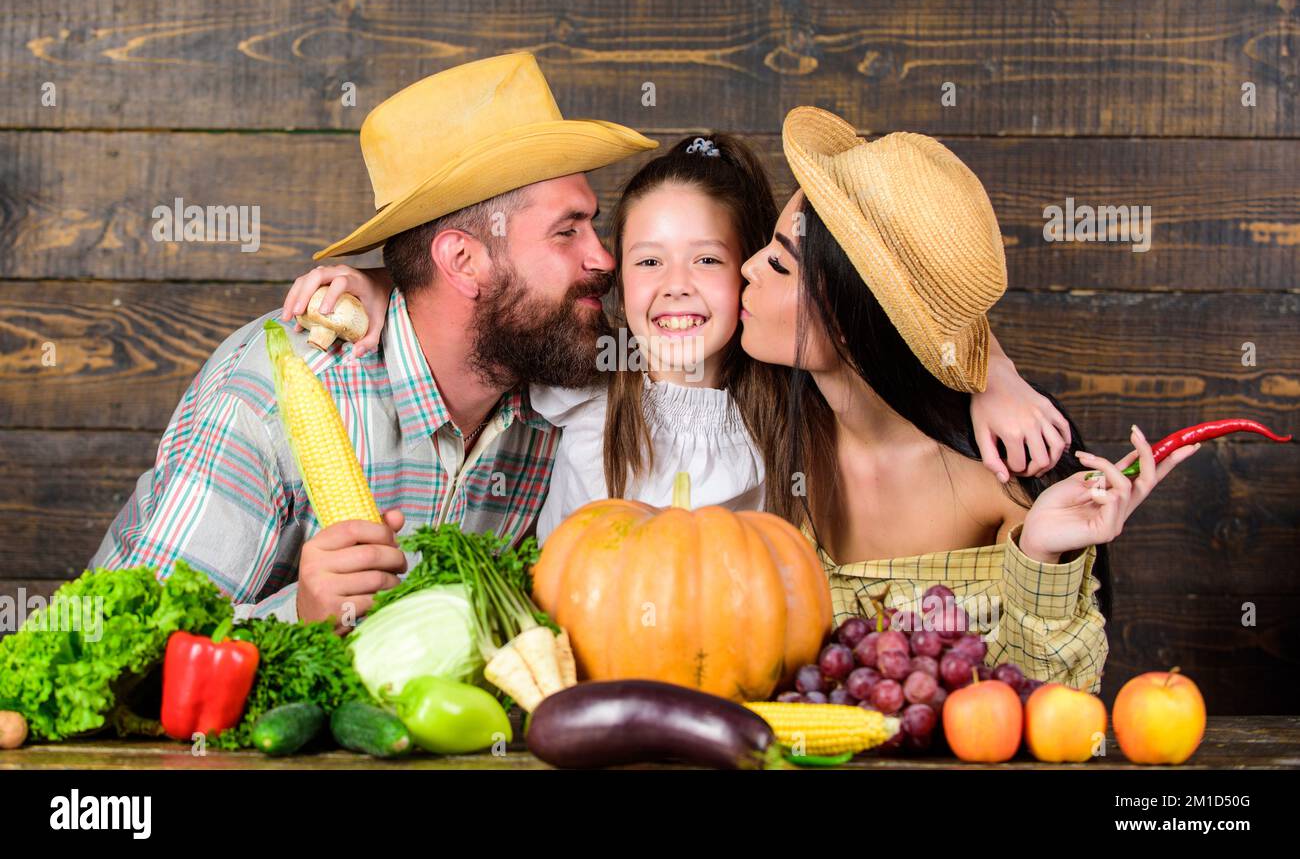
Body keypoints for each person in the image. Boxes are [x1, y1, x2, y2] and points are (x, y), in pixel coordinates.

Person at [89, 52, 658, 630]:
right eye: (567, 231)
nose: (602, 258)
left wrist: (391, 281)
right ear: (463, 261)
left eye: (592, 224)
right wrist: (303, 615)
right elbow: (127, 642)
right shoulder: (273, 396)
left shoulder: (558, 387)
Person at [287, 133, 1073, 545]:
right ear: (614, 278)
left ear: (755, 273)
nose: (675, 287)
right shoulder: (585, 372)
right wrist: (387, 285)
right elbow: (479, 310)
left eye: (708, 259)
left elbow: (892, 281)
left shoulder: (788, 395)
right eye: (648, 261)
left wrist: (994, 371)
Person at [740, 107, 1201, 691]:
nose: (749, 268)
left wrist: (1039, 555)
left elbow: (1050, 702)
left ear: (854, 318)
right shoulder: (768, 413)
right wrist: (994, 367)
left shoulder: (1007, 470)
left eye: (781, 263)